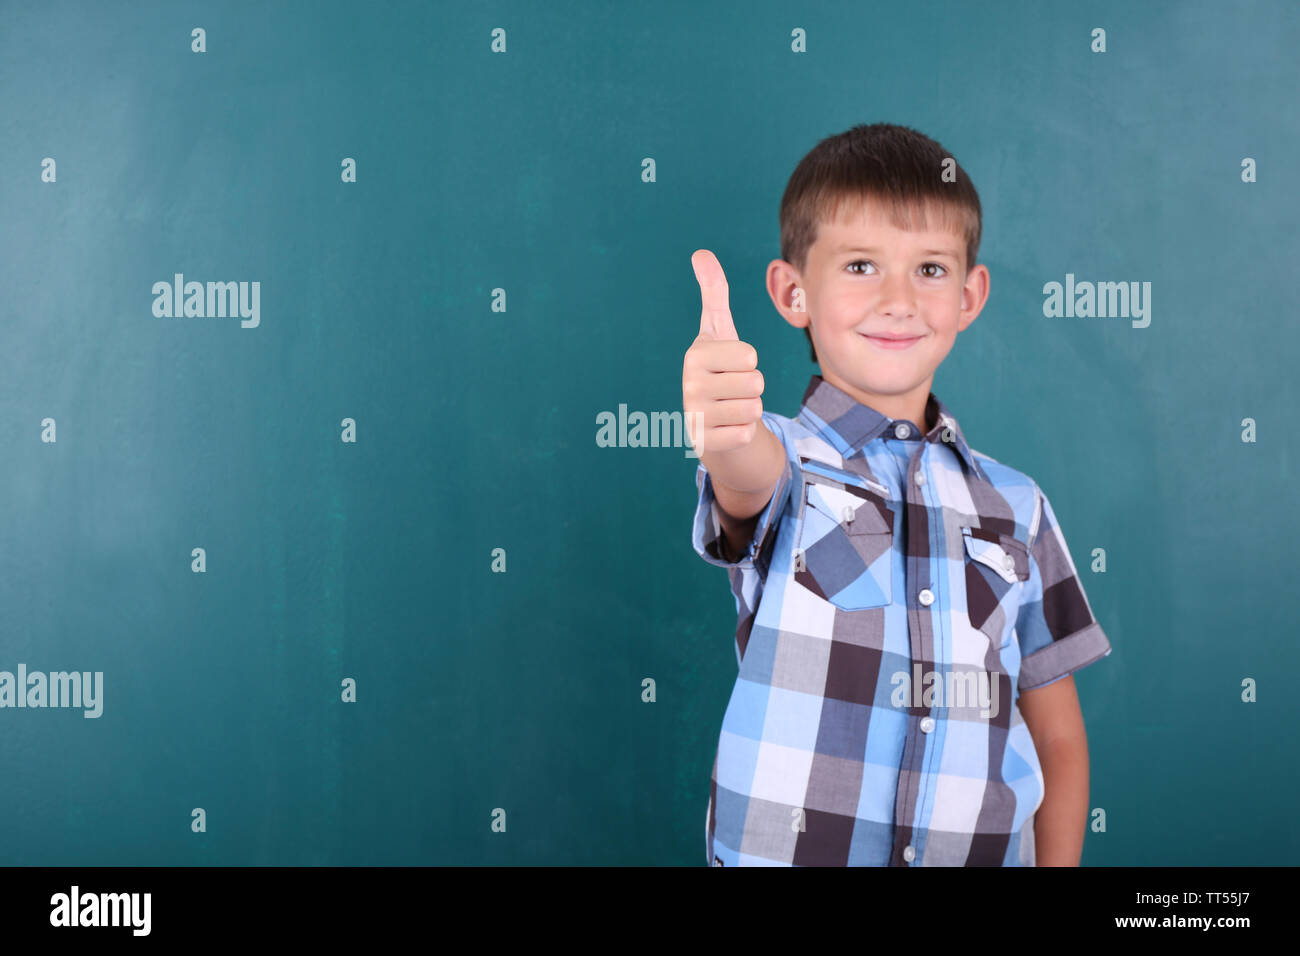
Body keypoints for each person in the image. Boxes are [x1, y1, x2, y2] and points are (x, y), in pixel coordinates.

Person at [682, 122, 1112, 866]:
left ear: (970, 295)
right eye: (858, 265)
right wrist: (723, 428)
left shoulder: (1018, 505)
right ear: (792, 293)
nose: (899, 299)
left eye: (931, 270)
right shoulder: (786, 458)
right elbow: (744, 472)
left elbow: (1059, 737)